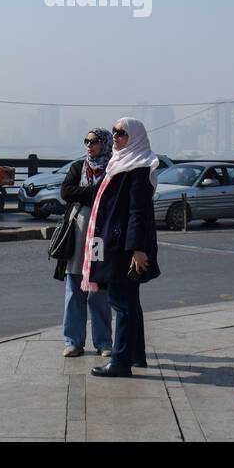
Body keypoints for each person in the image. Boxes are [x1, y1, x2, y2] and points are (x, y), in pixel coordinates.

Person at [81, 117, 160, 377]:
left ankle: (120, 362)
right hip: (115, 243)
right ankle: (136, 356)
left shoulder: (137, 168)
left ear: (135, 137)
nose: (115, 136)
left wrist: (138, 249)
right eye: (114, 131)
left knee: (121, 304)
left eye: (122, 133)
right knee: (130, 302)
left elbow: (139, 212)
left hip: (122, 247)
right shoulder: (122, 163)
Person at [55, 128, 114, 358]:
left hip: (101, 236)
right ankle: (73, 341)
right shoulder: (78, 167)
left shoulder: (112, 168)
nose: (89, 145)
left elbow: (110, 195)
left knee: (99, 291)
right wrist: (93, 192)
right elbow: (66, 192)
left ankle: (103, 342)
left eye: (95, 141)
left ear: (105, 144)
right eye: (86, 140)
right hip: (77, 236)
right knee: (73, 289)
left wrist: (85, 193)